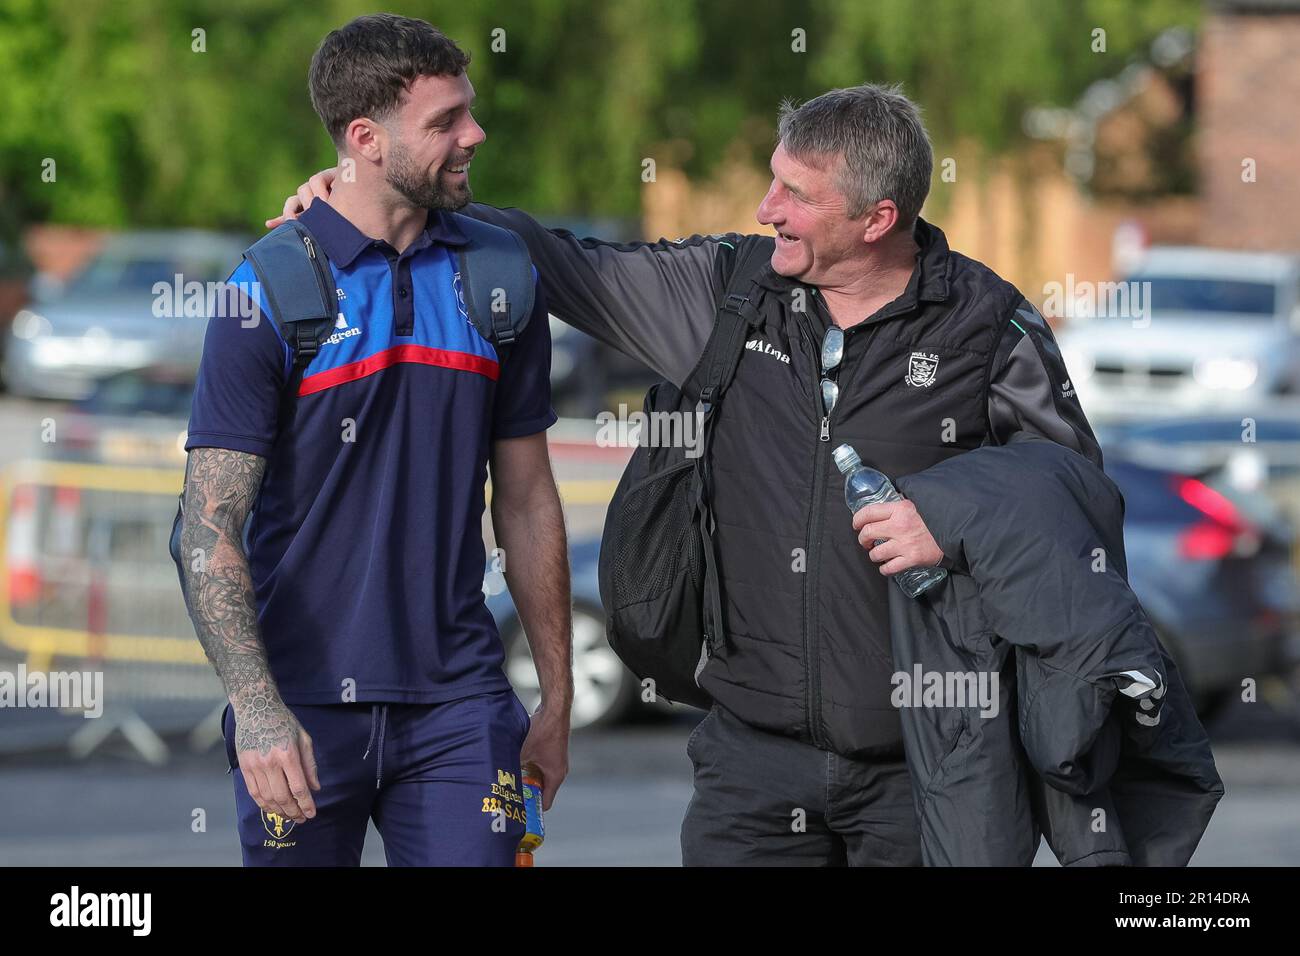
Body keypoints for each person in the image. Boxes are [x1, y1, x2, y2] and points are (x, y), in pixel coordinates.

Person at [276, 83, 1100, 866]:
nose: (764, 209)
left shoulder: (989, 325)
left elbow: (1079, 494)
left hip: (934, 764)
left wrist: (949, 515)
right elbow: (558, 261)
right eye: (771, 180)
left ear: (878, 218)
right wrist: (378, 193)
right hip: (751, 766)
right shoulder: (728, 292)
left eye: (795, 195)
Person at [180, 13, 571, 867]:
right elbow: (206, 531)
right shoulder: (269, 290)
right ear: (365, 138)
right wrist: (257, 708)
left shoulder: (499, 276)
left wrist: (557, 695)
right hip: (302, 712)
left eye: (468, 110)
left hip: (460, 707)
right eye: (445, 122)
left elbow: (530, 500)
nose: (475, 134)